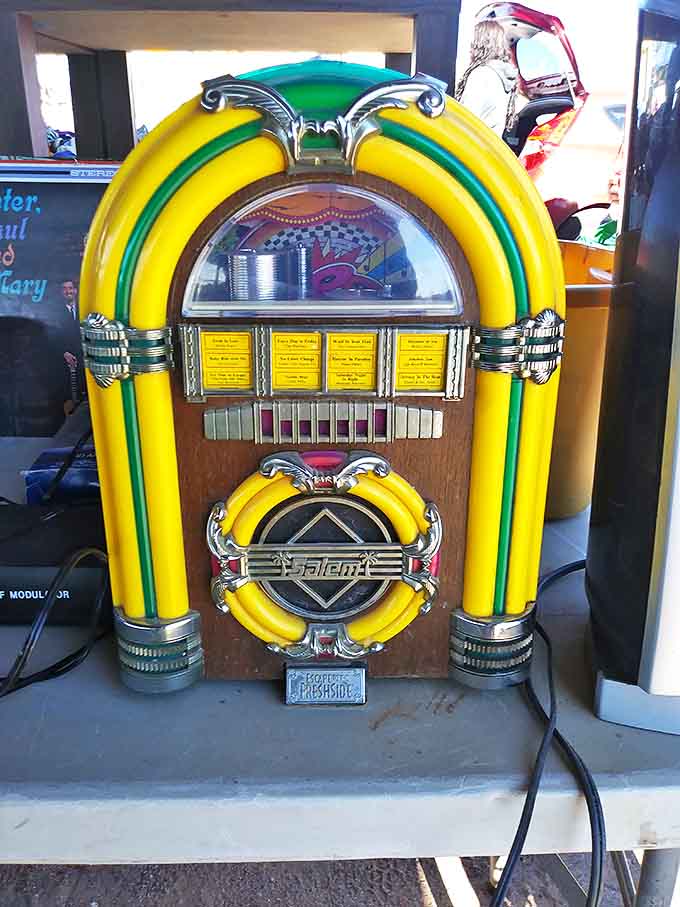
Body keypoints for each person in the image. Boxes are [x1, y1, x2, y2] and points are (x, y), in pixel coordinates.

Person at [455, 19, 518, 138]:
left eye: (473, 41)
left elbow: (467, 118)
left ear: (480, 43)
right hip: (490, 145)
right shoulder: (503, 75)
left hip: (473, 145)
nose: (470, 46)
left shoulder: (481, 74)